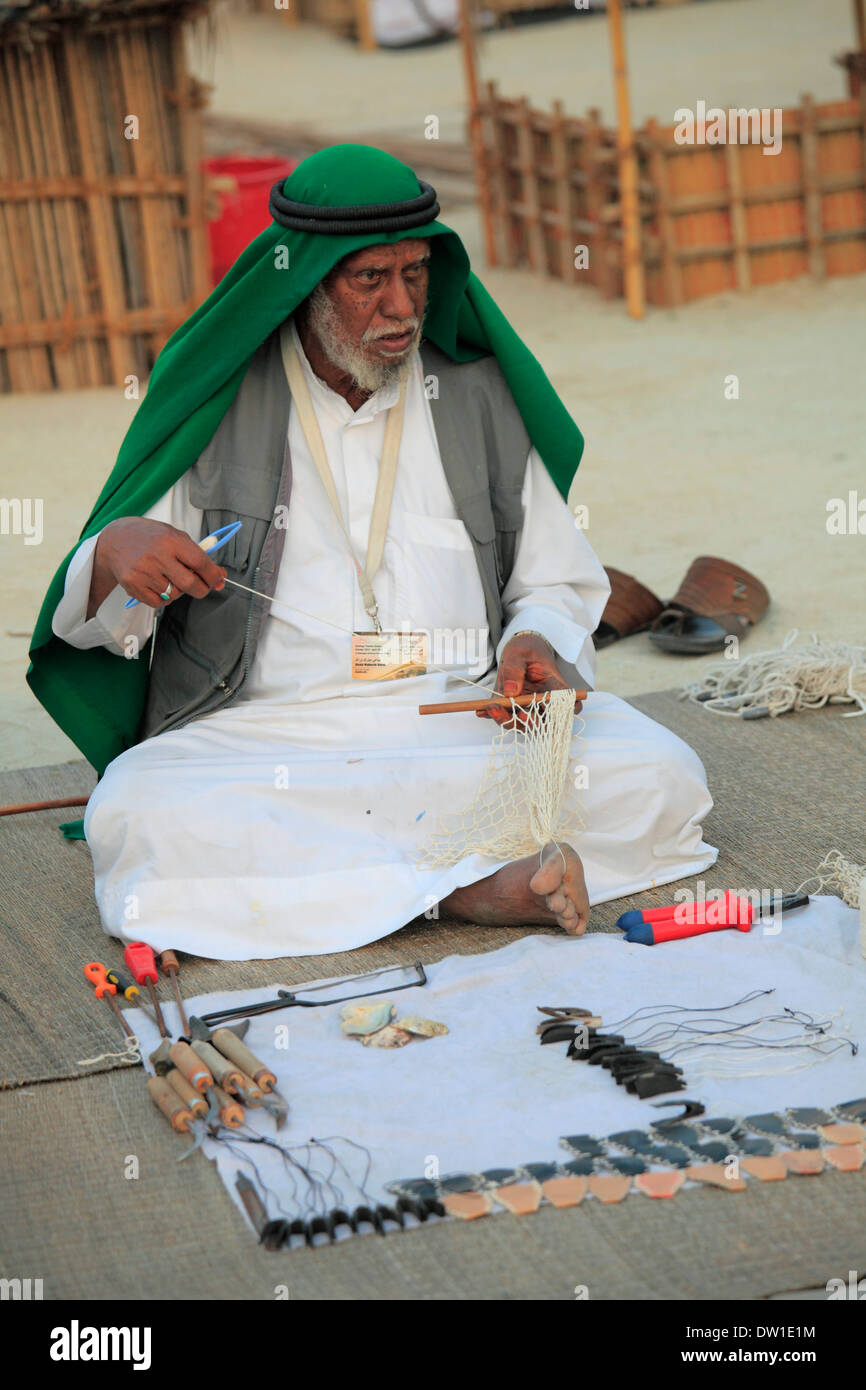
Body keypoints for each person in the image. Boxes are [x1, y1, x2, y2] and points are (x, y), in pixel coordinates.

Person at [30, 145, 717, 960]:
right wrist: (113, 552)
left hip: (461, 724)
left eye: (416, 275)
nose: (402, 306)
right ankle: (467, 889)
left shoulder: (475, 394)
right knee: (141, 813)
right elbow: (112, 625)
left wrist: (535, 644)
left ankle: (376, 887)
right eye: (370, 281)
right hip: (268, 740)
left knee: (662, 776)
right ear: (308, 281)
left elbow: (555, 579)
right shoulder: (224, 401)